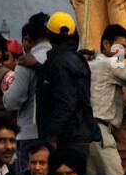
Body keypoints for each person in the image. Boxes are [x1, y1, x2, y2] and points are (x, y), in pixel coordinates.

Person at [35, 11, 100, 157]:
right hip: (78, 133)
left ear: (50, 36)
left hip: (66, 138)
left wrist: (52, 135)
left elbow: (66, 102)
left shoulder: (59, 63)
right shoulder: (76, 59)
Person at [86, 24, 126, 175]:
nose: (123, 53)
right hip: (100, 132)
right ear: (106, 44)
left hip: (88, 131)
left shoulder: (91, 64)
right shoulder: (111, 63)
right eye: (121, 47)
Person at [4, 13, 51, 172]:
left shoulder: (27, 62)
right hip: (56, 136)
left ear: (29, 38)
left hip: (29, 135)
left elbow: (12, 101)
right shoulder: (62, 60)